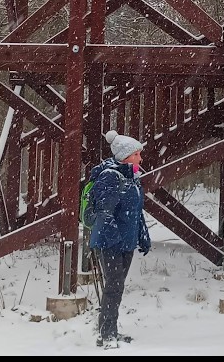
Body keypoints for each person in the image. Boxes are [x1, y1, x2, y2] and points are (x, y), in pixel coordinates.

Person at [87, 130, 151, 348]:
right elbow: (104, 213)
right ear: (126, 155)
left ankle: (111, 330)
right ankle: (106, 334)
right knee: (113, 286)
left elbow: (136, 212)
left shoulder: (133, 178)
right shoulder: (110, 177)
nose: (140, 159)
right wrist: (115, 240)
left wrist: (142, 236)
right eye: (137, 154)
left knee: (117, 286)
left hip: (126, 243)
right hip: (111, 244)